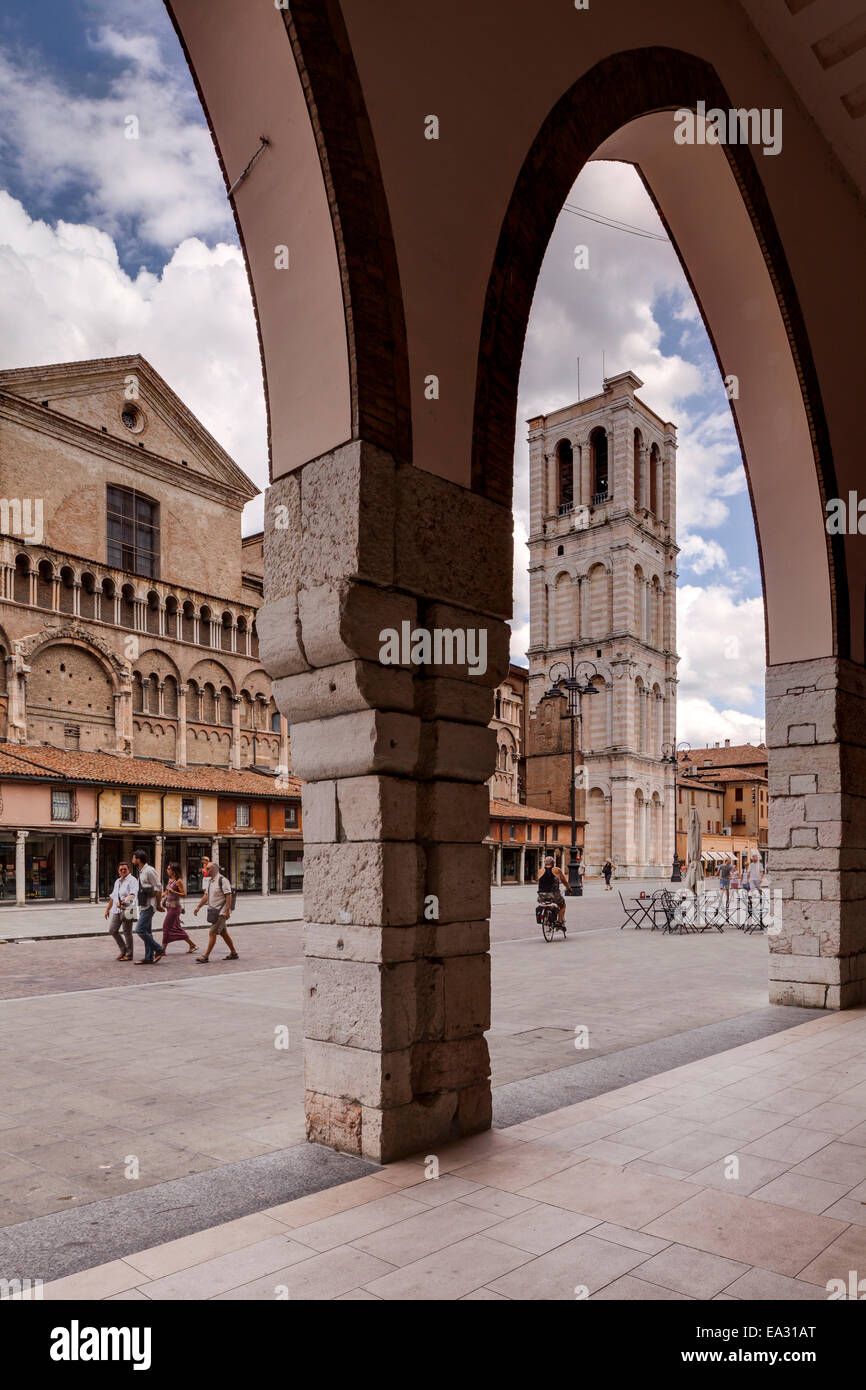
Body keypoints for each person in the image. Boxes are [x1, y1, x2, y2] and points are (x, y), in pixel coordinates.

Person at [194, 861, 238, 962]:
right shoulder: (210, 881)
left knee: (212, 932)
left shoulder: (222, 880)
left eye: (208, 868)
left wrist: (227, 911)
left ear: (214, 869)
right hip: (214, 912)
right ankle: (234, 953)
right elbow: (206, 895)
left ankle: (205, 956)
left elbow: (229, 895)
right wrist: (198, 907)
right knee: (224, 933)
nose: (205, 870)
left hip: (221, 912)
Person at [131, 848, 165, 965]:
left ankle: (159, 949)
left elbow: (159, 887)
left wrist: (159, 904)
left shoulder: (149, 870)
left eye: (133, 857)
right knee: (147, 931)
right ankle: (148, 957)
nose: (132, 860)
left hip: (149, 905)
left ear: (138, 859)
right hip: (143, 904)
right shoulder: (141, 871)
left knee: (139, 929)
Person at [105, 861, 138, 960]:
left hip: (128, 908)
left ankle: (129, 954)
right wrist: (107, 909)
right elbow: (113, 896)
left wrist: (124, 901)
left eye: (125, 869)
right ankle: (123, 950)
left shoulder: (132, 880)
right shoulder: (117, 881)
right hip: (117, 909)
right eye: (121, 869)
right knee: (112, 930)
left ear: (129, 870)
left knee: (127, 931)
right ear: (118, 871)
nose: (123, 871)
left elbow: (133, 894)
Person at [161, 863, 197, 954]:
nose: (167, 870)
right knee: (177, 927)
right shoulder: (170, 880)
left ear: (174, 871)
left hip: (175, 908)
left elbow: (184, 895)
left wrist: (173, 891)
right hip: (169, 907)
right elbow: (166, 893)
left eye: (169, 869)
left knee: (166, 927)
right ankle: (193, 945)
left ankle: (162, 950)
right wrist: (157, 895)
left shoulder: (179, 881)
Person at [537, 854, 568, 932]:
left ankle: (547, 919)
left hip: (541, 895)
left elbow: (539, 883)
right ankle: (559, 922)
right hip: (554, 894)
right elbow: (564, 881)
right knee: (563, 906)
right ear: (553, 863)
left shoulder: (540, 871)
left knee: (545, 904)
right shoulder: (557, 870)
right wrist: (569, 888)